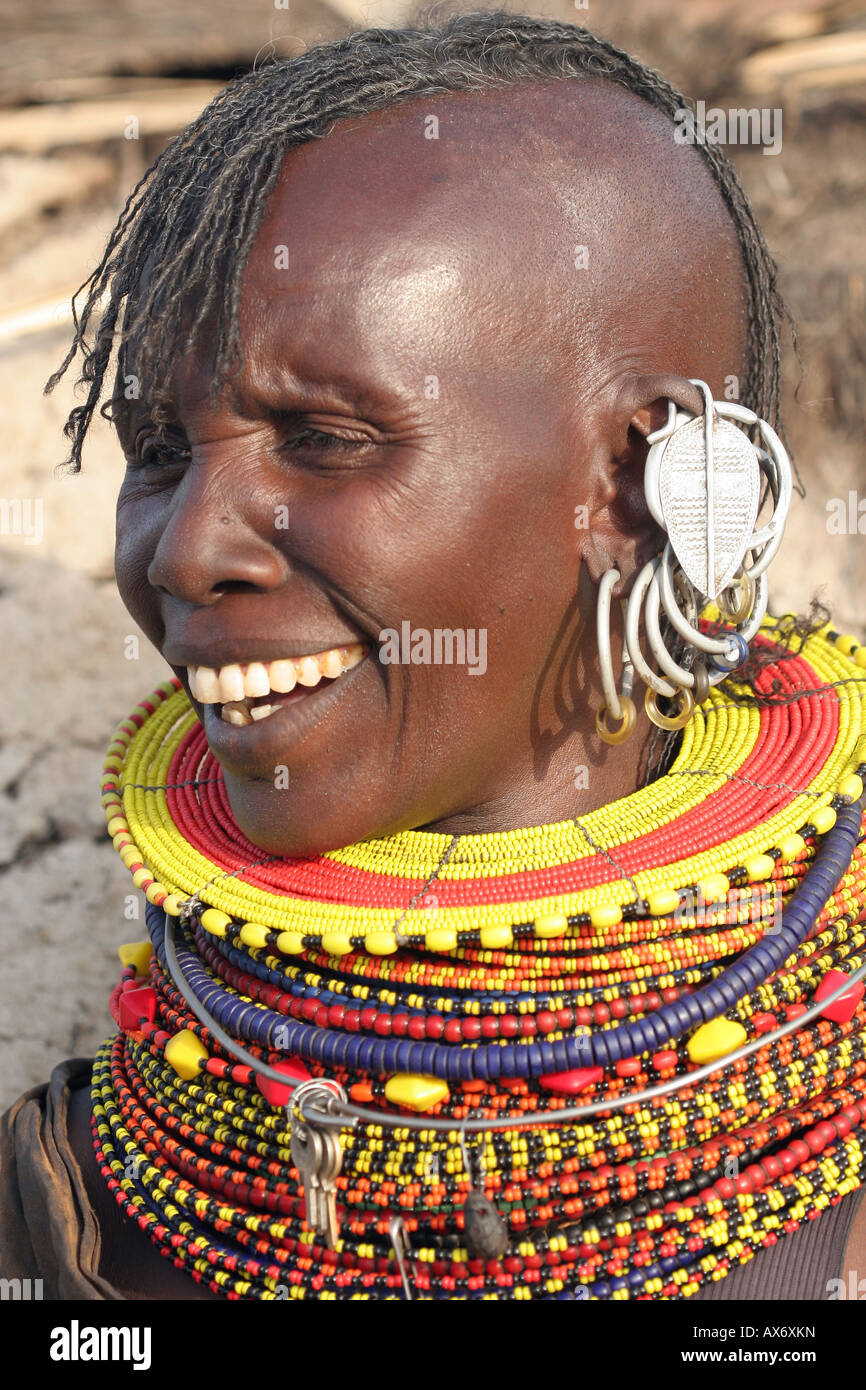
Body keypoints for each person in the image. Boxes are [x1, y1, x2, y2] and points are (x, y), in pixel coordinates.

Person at [3, 11, 866, 1301]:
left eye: (325, 439)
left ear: (648, 488)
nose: (185, 556)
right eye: (159, 449)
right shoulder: (75, 1210)